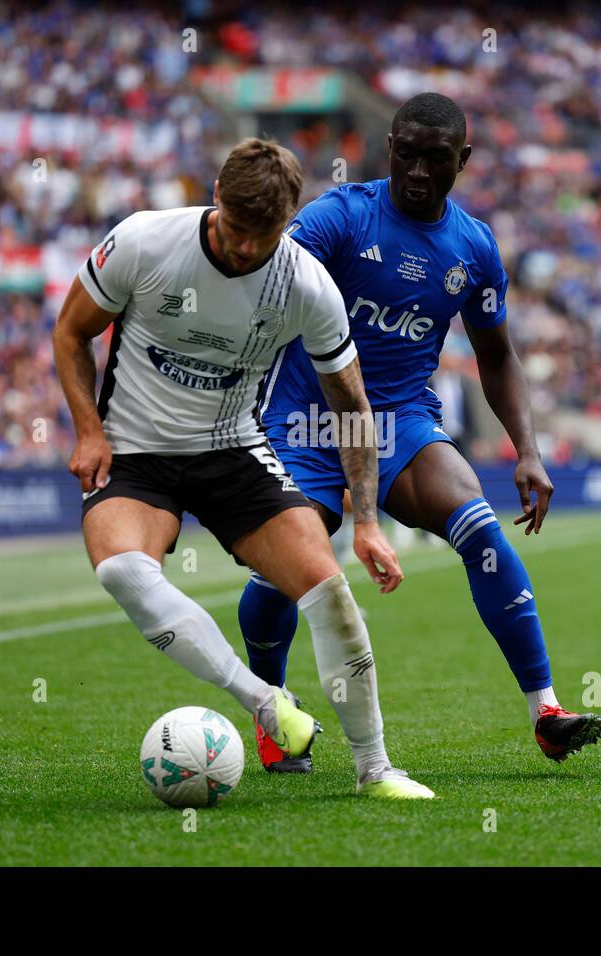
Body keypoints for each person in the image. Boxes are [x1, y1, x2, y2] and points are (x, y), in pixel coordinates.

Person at [53, 138, 434, 799]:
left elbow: (352, 404)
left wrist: (367, 520)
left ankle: (376, 769)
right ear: (215, 197)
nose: (244, 250)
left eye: (263, 236)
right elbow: (69, 331)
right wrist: (89, 431)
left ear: (287, 223)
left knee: (327, 587)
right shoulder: (144, 241)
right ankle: (263, 701)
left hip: (231, 448)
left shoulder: (308, 284)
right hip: (135, 452)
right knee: (120, 567)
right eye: (234, 229)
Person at [240, 94, 601, 772]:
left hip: (401, 424)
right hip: (307, 422)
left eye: (434, 158)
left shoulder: (473, 247)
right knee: (285, 567)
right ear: (388, 147)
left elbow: (497, 356)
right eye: (403, 152)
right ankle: (274, 708)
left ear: (461, 161)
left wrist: (527, 450)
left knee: (482, 531)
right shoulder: (339, 217)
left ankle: (546, 711)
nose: (415, 169)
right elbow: (264, 284)